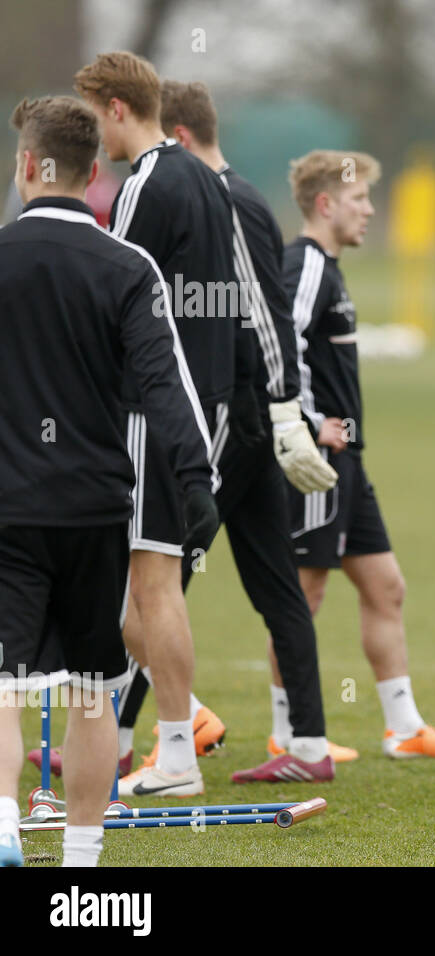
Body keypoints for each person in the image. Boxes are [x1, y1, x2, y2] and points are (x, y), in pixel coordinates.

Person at [0, 96, 217, 866]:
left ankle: (1, 821)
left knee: (4, 685)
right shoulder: (127, 266)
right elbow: (168, 386)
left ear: (26, 165)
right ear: (94, 174)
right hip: (97, 511)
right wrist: (197, 481)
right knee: (92, 690)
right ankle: (84, 861)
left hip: (9, 510)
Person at [156, 78, 352, 781]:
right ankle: (306, 748)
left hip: (232, 418)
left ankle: (145, 739)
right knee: (277, 586)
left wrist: (279, 411)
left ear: (174, 138)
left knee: (154, 576)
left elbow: (267, 318)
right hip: (254, 418)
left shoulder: (220, 198)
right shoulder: (241, 195)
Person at [281, 149, 435, 760]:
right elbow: (274, 346)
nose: (370, 210)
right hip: (317, 462)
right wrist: (311, 425)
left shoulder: (330, 267)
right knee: (303, 595)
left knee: (386, 586)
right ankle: (289, 734)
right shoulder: (304, 266)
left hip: (350, 461)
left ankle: (404, 728)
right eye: (361, 198)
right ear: (325, 203)